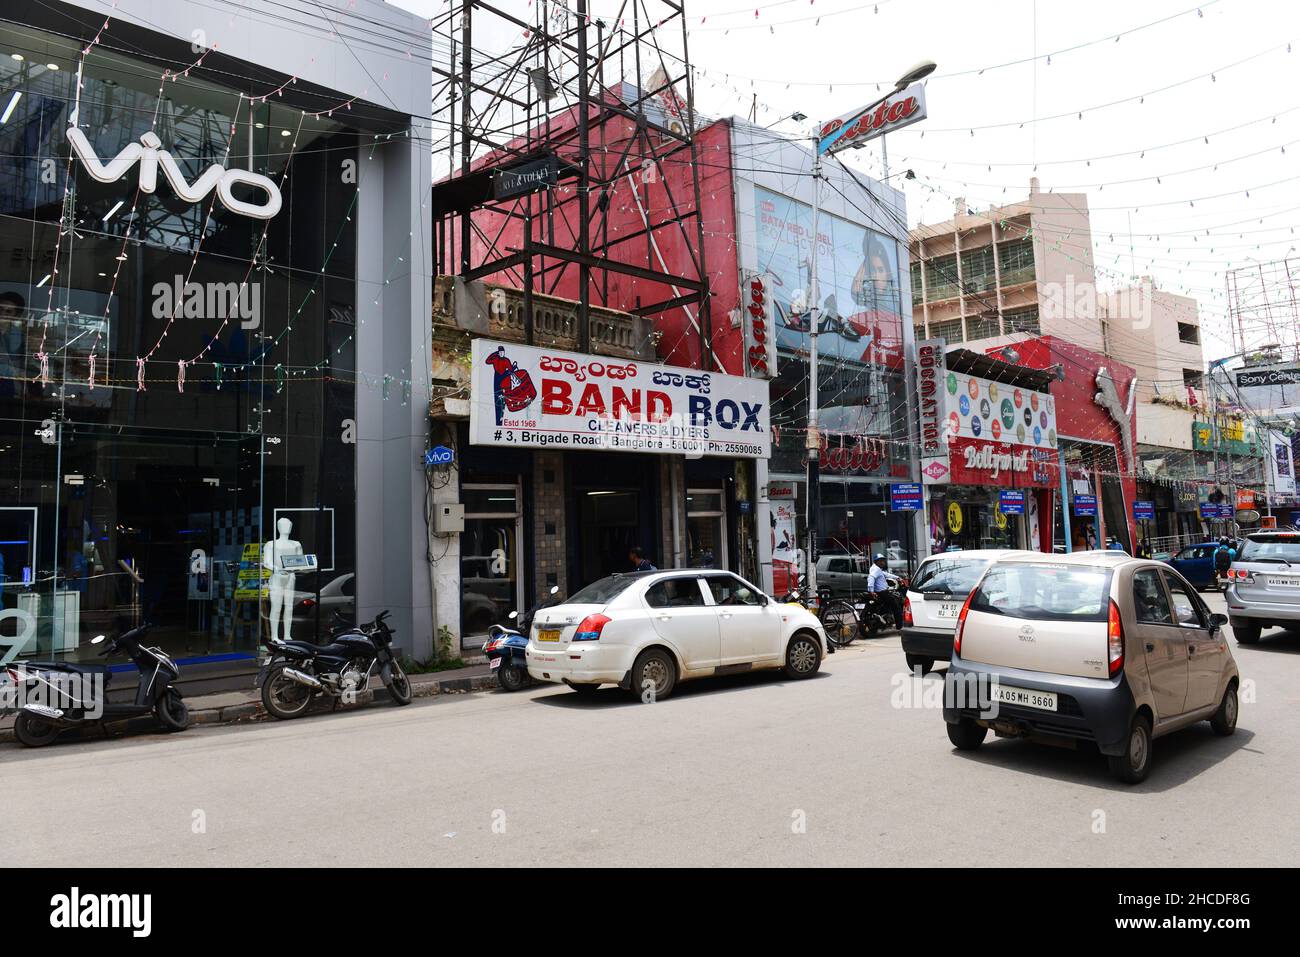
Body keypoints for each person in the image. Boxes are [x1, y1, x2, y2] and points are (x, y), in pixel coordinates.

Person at [866, 553, 903, 630]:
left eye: (883, 560)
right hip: (882, 592)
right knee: (896, 606)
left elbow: (886, 574)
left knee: (888, 604)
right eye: (880, 561)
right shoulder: (876, 569)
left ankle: (885, 617)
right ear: (876, 562)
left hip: (879, 592)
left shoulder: (875, 568)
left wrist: (897, 577)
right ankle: (900, 626)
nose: (883, 562)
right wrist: (871, 590)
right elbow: (871, 577)